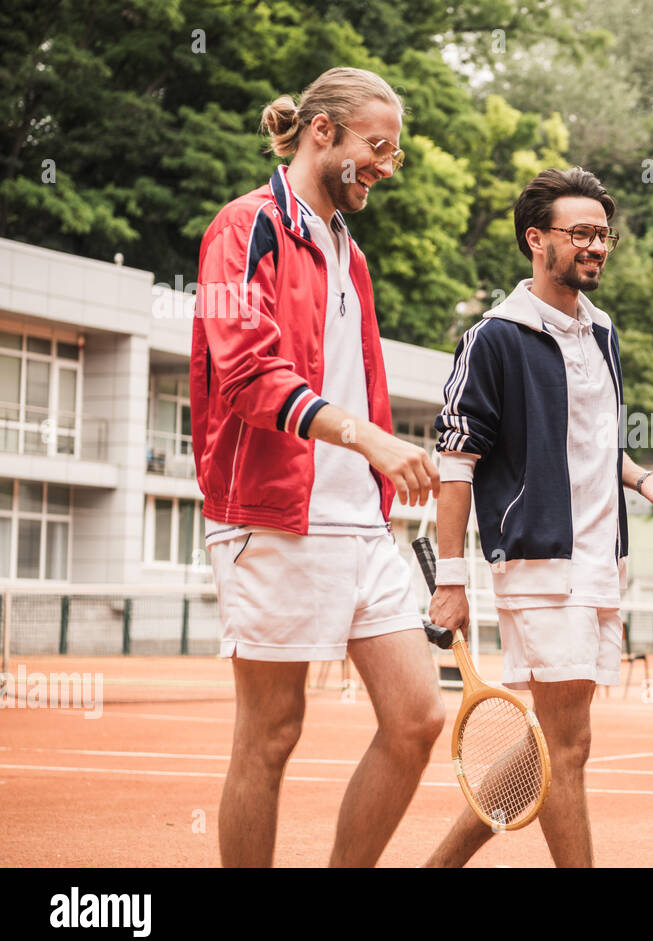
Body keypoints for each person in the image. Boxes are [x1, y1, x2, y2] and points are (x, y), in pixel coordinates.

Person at [191, 67, 443, 867]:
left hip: (359, 522)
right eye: (378, 147)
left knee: (417, 719)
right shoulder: (243, 227)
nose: (386, 166)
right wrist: (368, 438)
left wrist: (379, 465)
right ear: (322, 131)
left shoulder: (352, 255)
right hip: (269, 516)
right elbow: (242, 375)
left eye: (395, 155)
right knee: (270, 735)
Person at [426, 167, 653, 867]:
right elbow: (456, 460)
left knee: (551, 741)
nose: (596, 246)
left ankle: (436, 866)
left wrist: (645, 479)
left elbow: (594, 444)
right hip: (537, 561)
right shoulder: (493, 337)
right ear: (536, 240)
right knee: (569, 744)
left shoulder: (603, 332)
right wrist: (452, 578)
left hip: (598, 562)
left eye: (603, 234)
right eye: (580, 233)